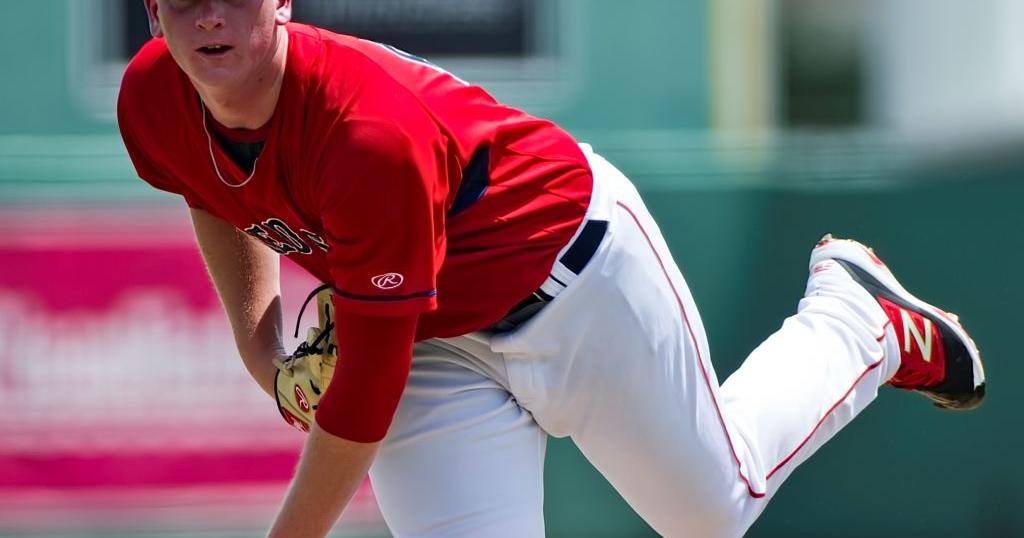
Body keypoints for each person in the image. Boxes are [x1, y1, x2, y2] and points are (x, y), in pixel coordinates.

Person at [116, 1, 986, 536]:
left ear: (281, 0)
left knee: (709, 513)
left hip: (574, 271)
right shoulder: (155, 97)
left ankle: (854, 319)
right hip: (434, 341)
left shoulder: (364, 133)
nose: (211, 19)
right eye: (187, 0)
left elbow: (366, 392)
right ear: (154, 12)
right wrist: (261, 350)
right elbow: (211, 187)